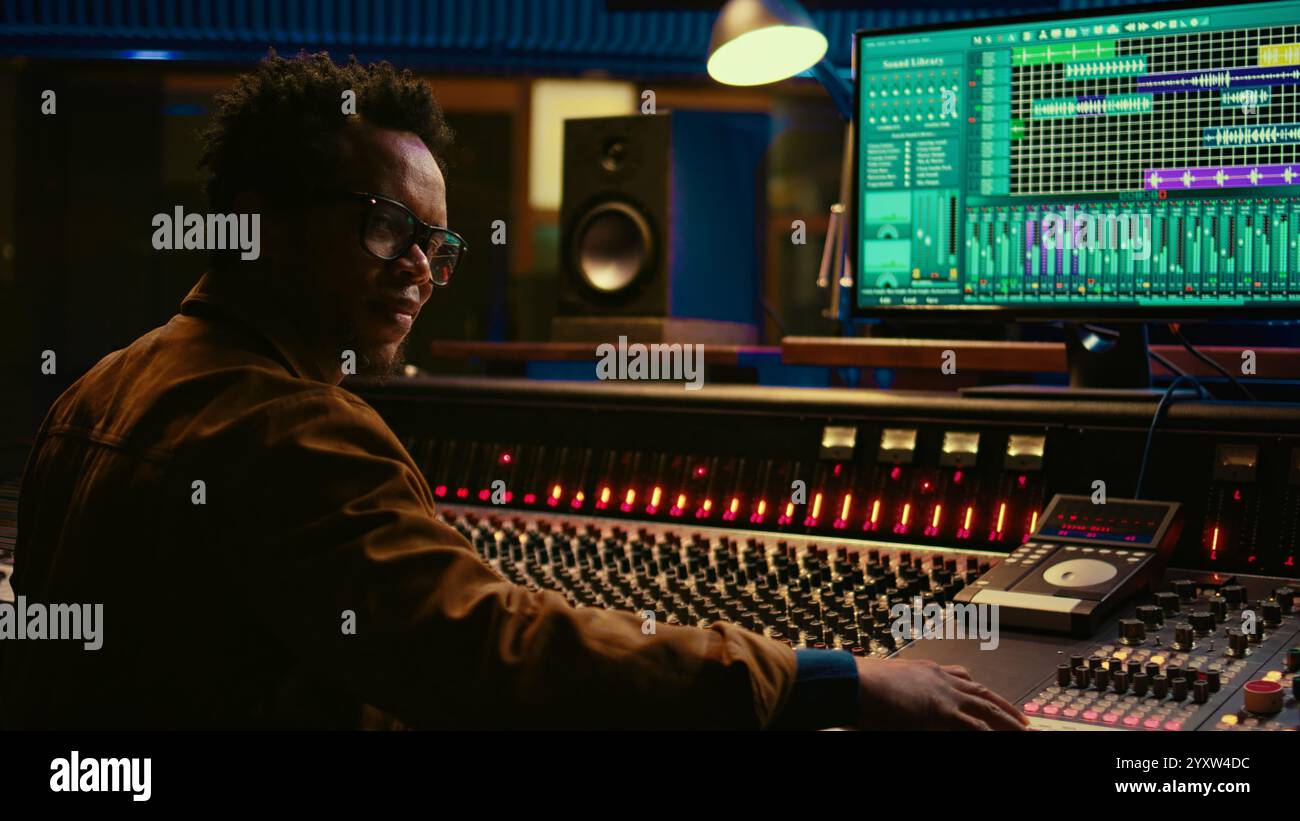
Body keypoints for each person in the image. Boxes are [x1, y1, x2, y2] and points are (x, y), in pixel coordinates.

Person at [2, 51, 1027, 731]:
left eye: (434, 242)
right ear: (257, 220)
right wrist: (839, 673)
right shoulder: (287, 430)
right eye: (382, 224)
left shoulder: (101, 389)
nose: (417, 266)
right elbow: (503, 653)